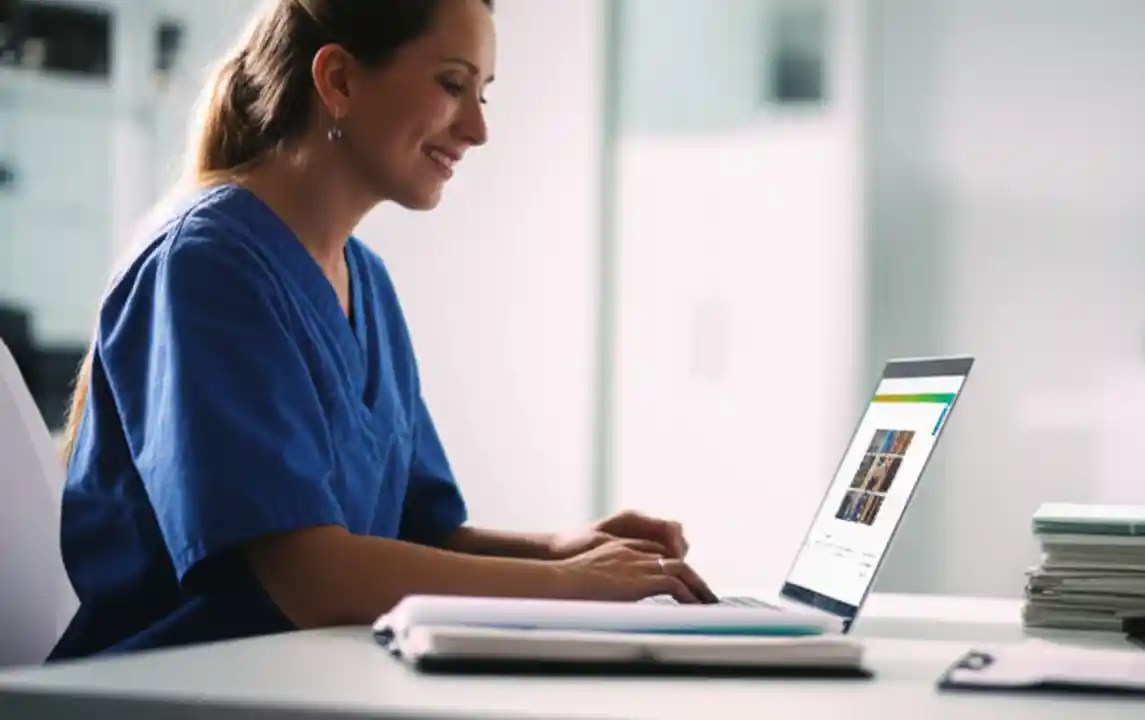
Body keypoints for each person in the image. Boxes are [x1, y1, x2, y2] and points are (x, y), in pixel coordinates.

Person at [49, 0, 713, 661]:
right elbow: (311, 576)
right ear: (338, 81)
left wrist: (561, 549)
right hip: (162, 690)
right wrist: (569, 586)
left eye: (483, 94)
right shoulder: (205, 266)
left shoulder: (365, 280)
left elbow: (418, 539)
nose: (478, 128)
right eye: (453, 85)